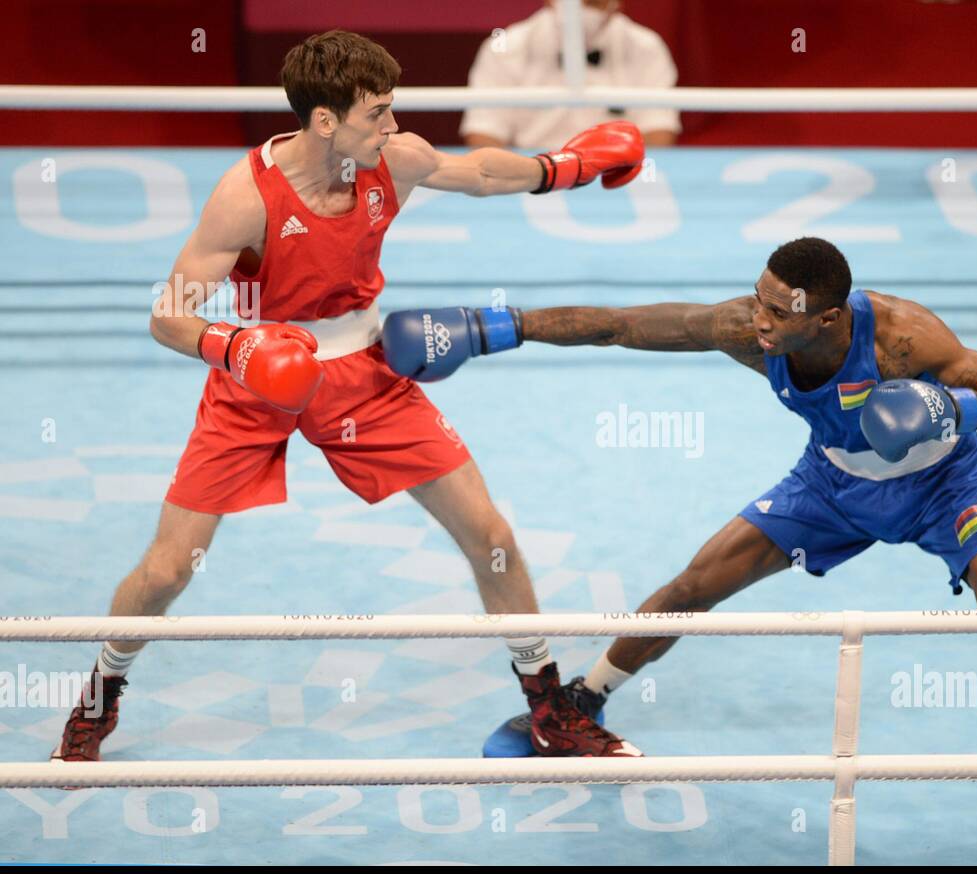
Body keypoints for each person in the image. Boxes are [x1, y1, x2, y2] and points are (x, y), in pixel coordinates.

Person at [414, 236, 977, 848]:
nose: (757, 320)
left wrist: (955, 411)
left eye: (776, 311)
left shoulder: (904, 338)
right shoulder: (746, 329)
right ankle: (577, 707)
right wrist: (501, 327)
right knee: (694, 584)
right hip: (829, 485)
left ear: (828, 318)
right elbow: (621, 325)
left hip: (943, 487)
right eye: (758, 301)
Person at [51, 29, 646, 765]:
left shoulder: (391, 160)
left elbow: (482, 172)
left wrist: (570, 165)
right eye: (377, 114)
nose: (392, 126)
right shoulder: (245, 196)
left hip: (366, 371)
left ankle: (550, 708)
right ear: (324, 120)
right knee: (169, 568)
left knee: (490, 537)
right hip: (255, 376)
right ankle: (99, 696)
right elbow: (168, 314)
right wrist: (236, 346)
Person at [461, 0, 680, 150]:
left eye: (592, 0)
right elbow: (484, 132)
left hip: (614, 172)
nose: (581, 8)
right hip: (530, 172)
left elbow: (658, 131)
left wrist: (629, 174)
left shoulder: (646, 46)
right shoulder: (503, 46)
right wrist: (517, 177)